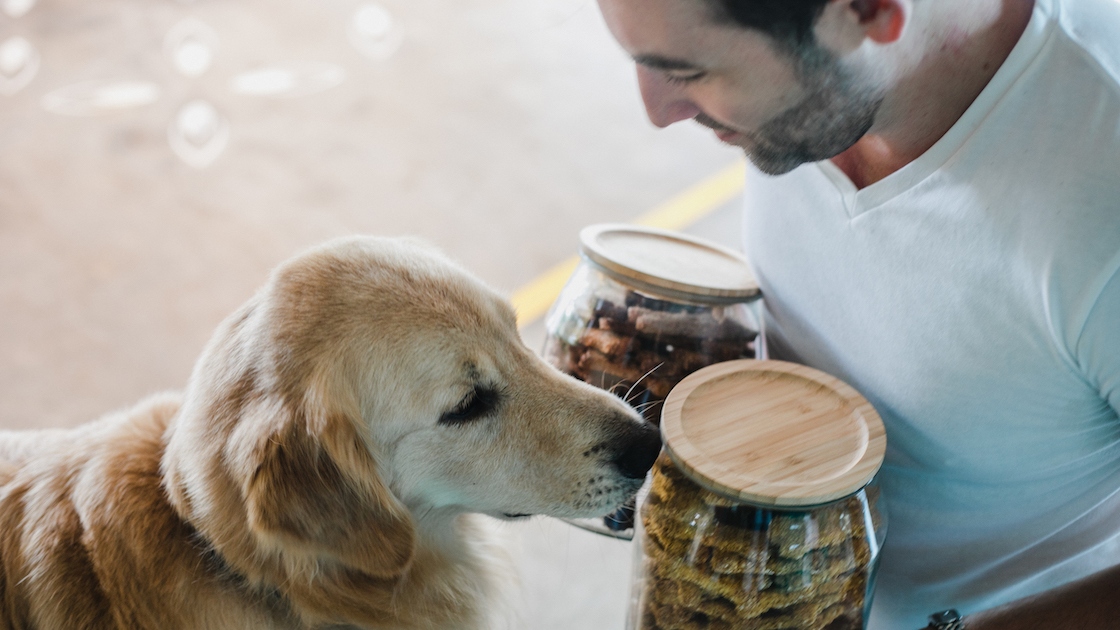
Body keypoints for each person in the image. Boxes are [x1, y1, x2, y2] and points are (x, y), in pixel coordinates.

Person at [593, 0, 1120, 627]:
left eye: (686, 72)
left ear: (868, 12)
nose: (657, 112)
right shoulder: (825, 102)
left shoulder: (1098, 206)